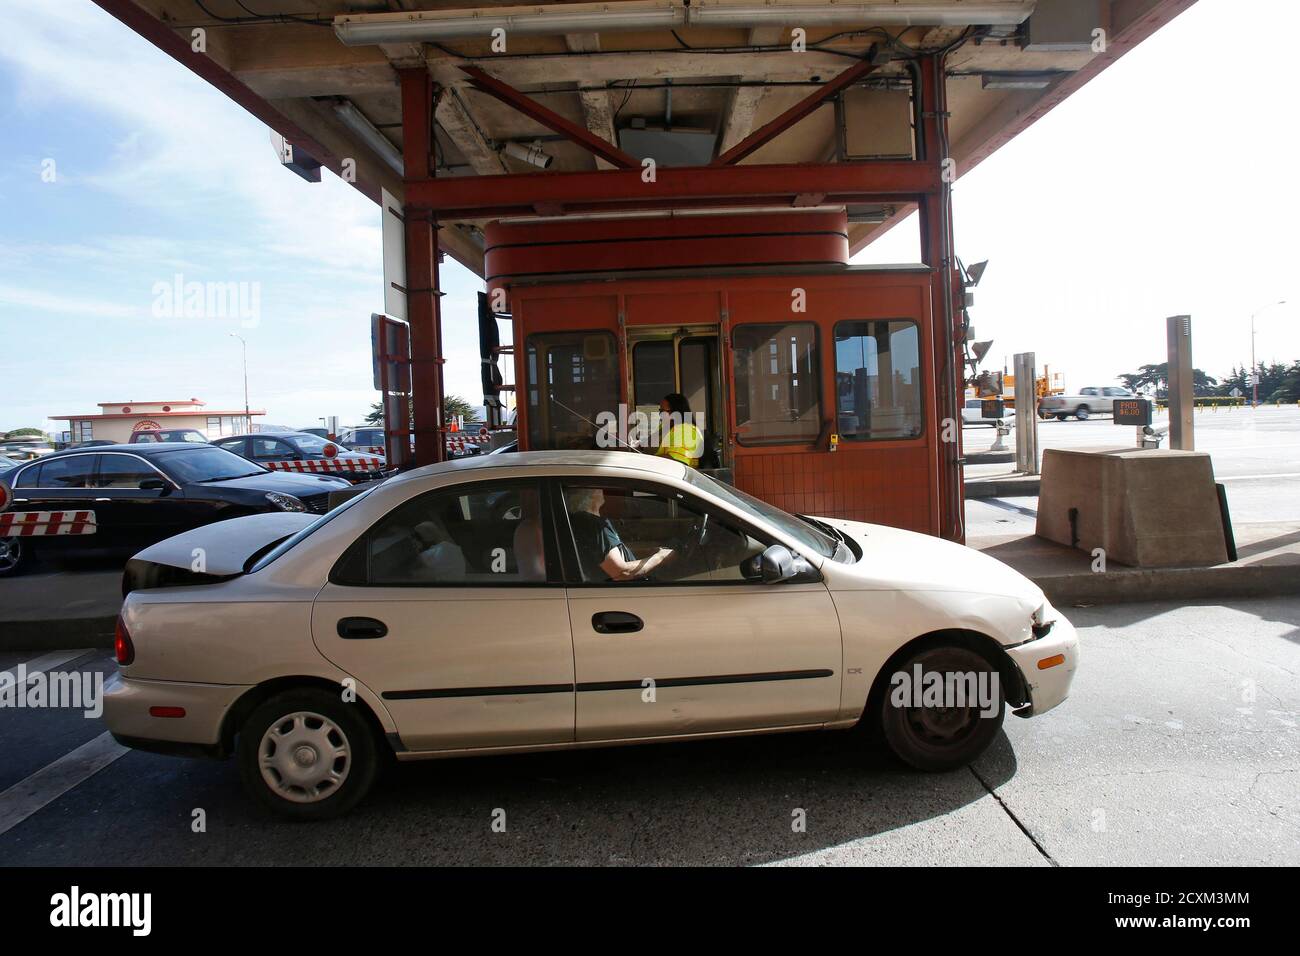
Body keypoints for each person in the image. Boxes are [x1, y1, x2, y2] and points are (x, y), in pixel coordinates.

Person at [567, 487, 673, 582]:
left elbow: (607, 554)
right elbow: (621, 573)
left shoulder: (581, 522)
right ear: (592, 494)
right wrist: (661, 557)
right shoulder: (594, 525)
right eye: (598, 487)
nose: (602, 490)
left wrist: (648, 552)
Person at [655, 393, 704, 468]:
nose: (660, 415)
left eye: (662, 411)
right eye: (660, 411)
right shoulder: (667, 427)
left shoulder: (685, 430)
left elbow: (676, 462)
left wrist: (647, 460)